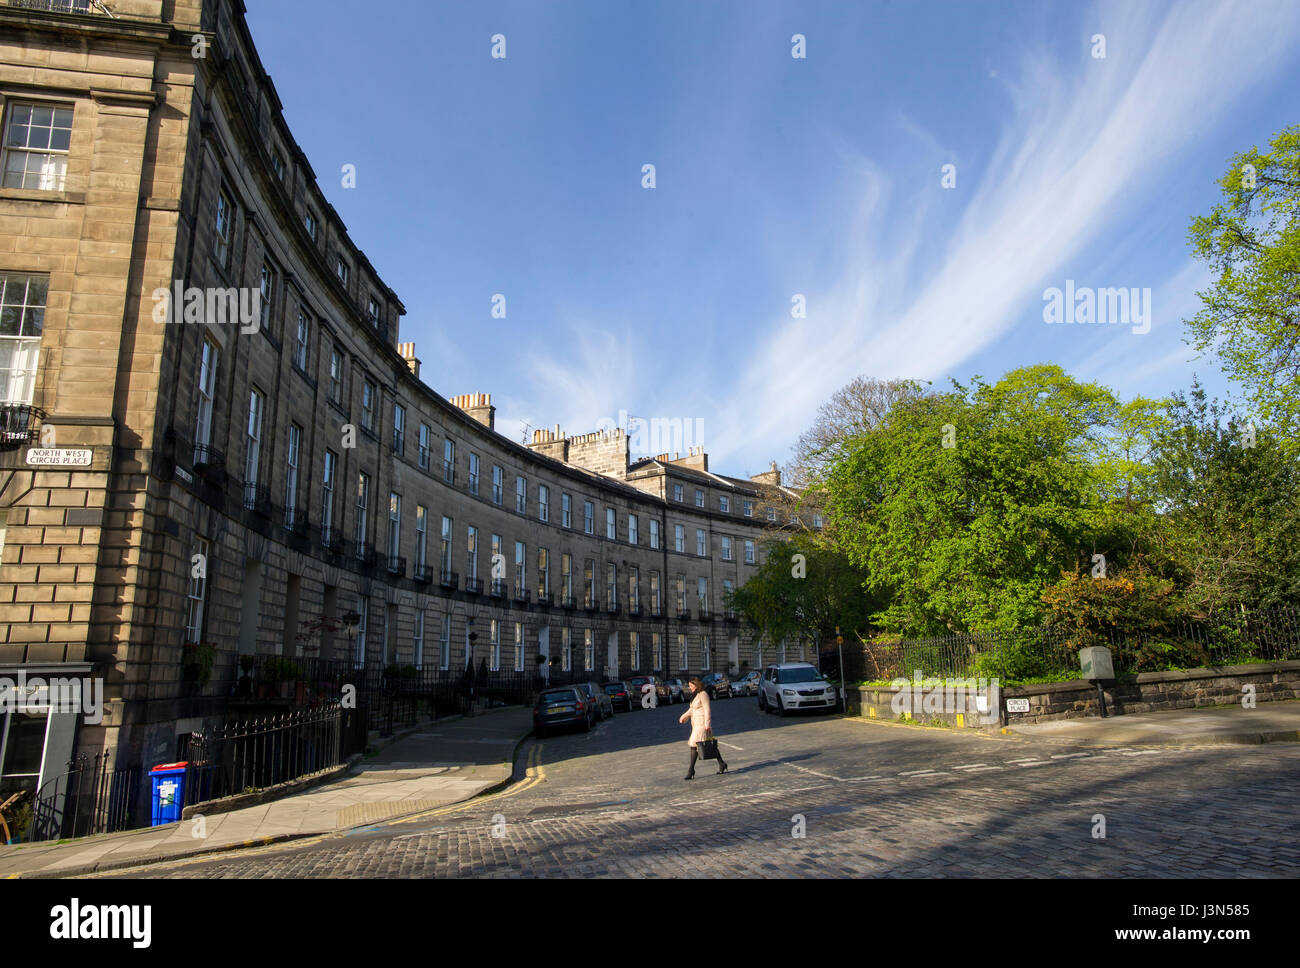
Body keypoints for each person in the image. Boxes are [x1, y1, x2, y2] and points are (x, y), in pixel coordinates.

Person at [679, 676, 728, 779]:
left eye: (691, 686)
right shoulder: (695, 696)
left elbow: (707, 710)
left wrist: (707, 723)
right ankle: (722, 763)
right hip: (696, 724)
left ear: (696, 685)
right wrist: (684, 716)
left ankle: (691, 770)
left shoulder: (703, 694)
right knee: (709, 744)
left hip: (702, 724)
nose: (690, 688)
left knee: (694, 744)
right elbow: (692, 710)